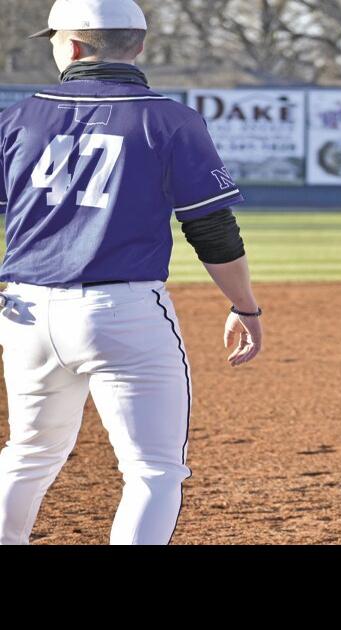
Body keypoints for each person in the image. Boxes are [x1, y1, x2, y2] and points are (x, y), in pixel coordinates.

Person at [0, 0, 263, 545]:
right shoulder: (169, 118)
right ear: (138, 45)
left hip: (23, 312)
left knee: (27, 453)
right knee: (153, 470)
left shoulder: (16, 118)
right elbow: (212, 229)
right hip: (123, 313)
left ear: (70, 47)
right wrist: (244, 307)